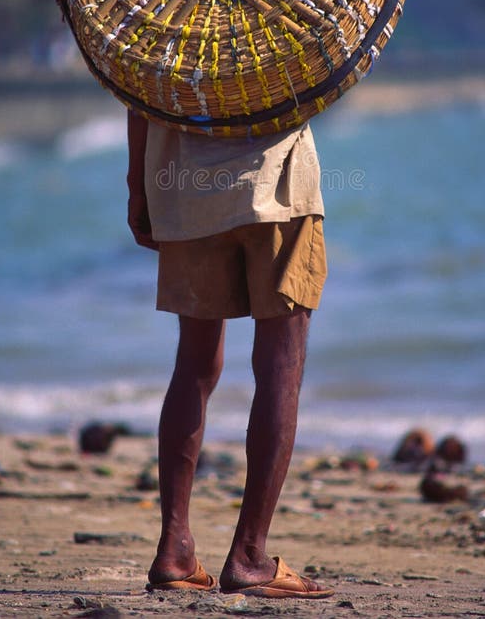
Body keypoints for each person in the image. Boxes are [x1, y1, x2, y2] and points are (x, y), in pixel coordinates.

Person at [126, 108, 334, 599]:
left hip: (184, 185)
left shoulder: (165, 25)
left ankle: (175, 551)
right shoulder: (280, 24)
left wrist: (139, 183)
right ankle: (249, 556)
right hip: (279, 182)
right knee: (280, 368)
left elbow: (132, 82)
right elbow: (329, 62)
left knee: (195, 365)